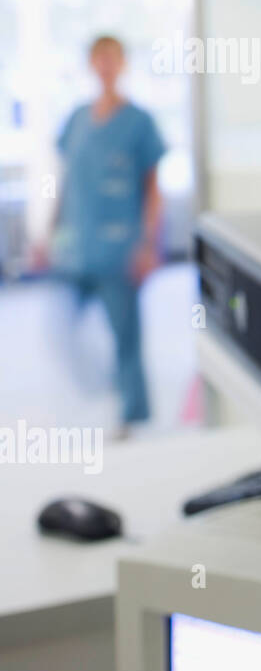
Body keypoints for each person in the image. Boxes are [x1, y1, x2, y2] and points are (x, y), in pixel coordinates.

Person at [35, 35, 166, 436]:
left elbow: (153, 190)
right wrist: (47, 234)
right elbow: (66, 181)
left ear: (123, 64)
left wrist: (148, 244)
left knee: (126, 335)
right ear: (91, 65)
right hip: (78, 247)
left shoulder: (140, 122)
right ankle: (106, 385)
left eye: (112, 58)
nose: (105, 65)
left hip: (120, 248)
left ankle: (131, 413)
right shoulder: (76, 119)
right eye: (99, 58)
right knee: (60, 326)